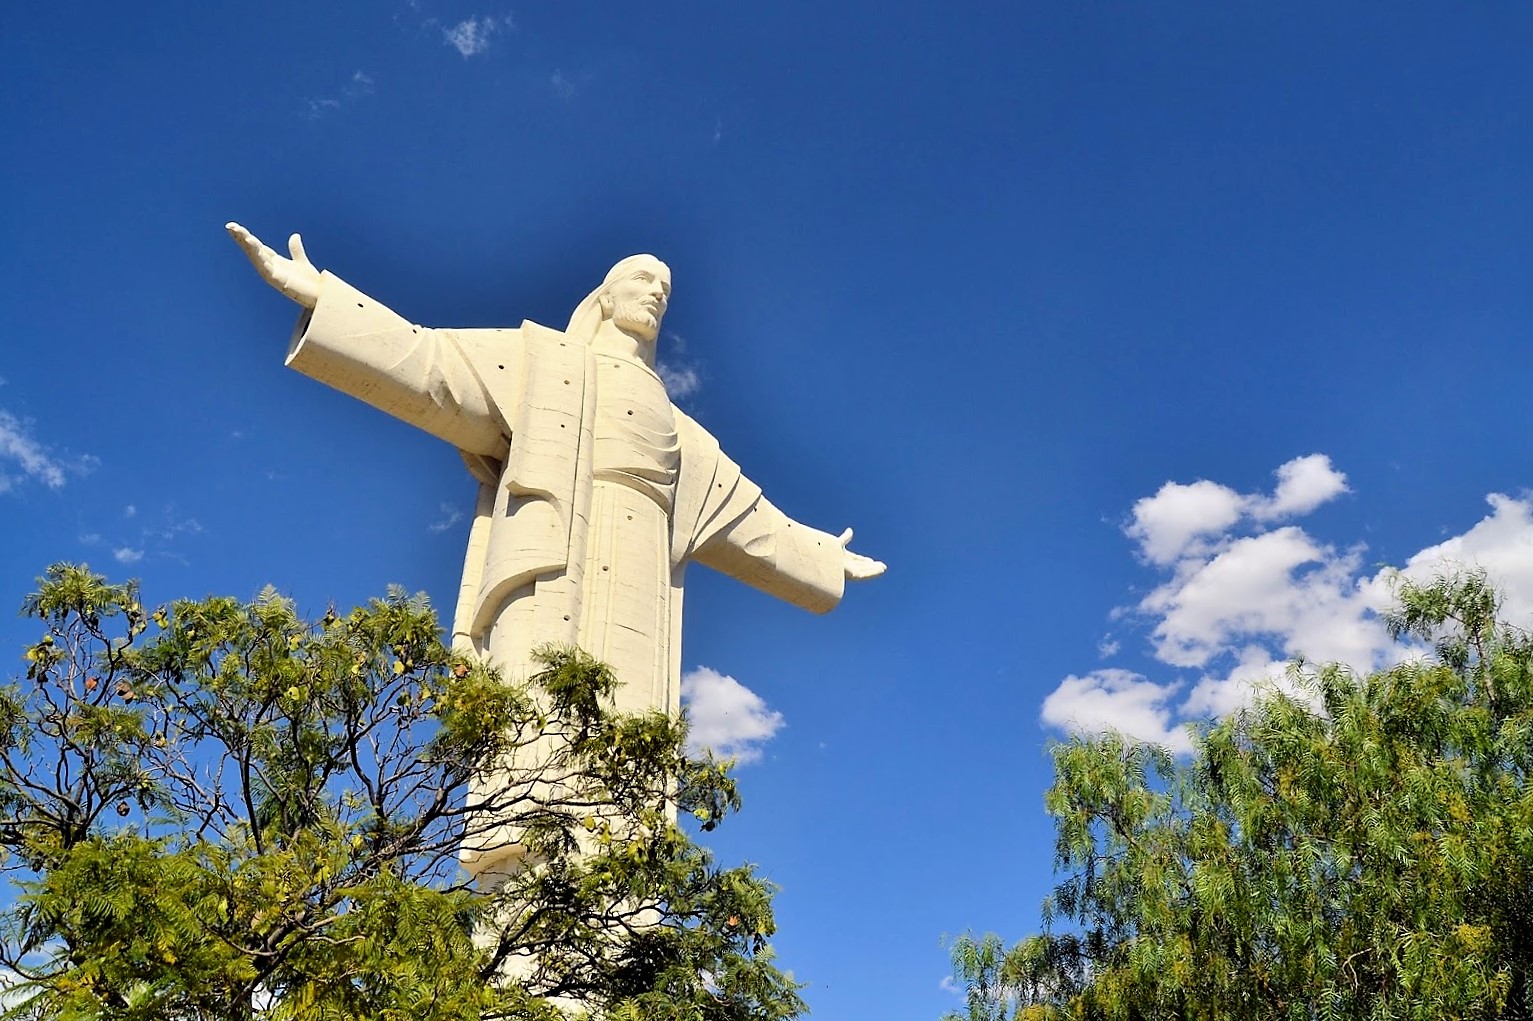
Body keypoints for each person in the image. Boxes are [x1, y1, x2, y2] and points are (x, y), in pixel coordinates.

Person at [226, 224, 885, 877]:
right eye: (641, 279)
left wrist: (824, 556)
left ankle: (620, 889)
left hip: (640, 593)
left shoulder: (686, 439)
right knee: (532, 745)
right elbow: (431, 364)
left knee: (627, 778)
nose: (656, 293)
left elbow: (755, 524)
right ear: (604, 296)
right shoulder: (545, 362)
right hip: (552, 575)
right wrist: (326, 301)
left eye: (665, 286)